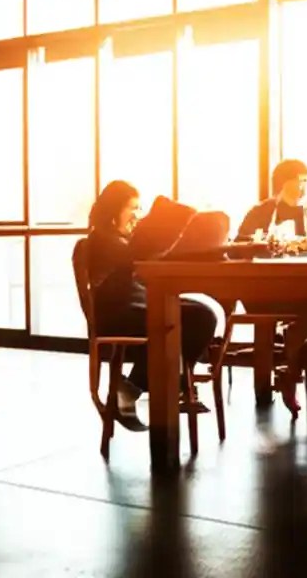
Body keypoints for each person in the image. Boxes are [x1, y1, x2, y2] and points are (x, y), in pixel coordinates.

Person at [86, 181, 223, 428]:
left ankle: (145, 385)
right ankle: (167, 383)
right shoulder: (103, 241)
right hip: (120, 312)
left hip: (137, 304)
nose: (137, 216)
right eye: (132, 208)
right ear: (113, 209)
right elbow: (136, 261)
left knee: (200, 314)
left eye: (139, 209)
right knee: (198, 318)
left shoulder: (116, 240)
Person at [237, 159, 307, 416]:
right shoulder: (262, 211)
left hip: (300, 287)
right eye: (299, 182)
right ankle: (292, 366)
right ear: (283, 184)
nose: (304, 189)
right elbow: (242, 247)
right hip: (263, 290)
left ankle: (292, 369)